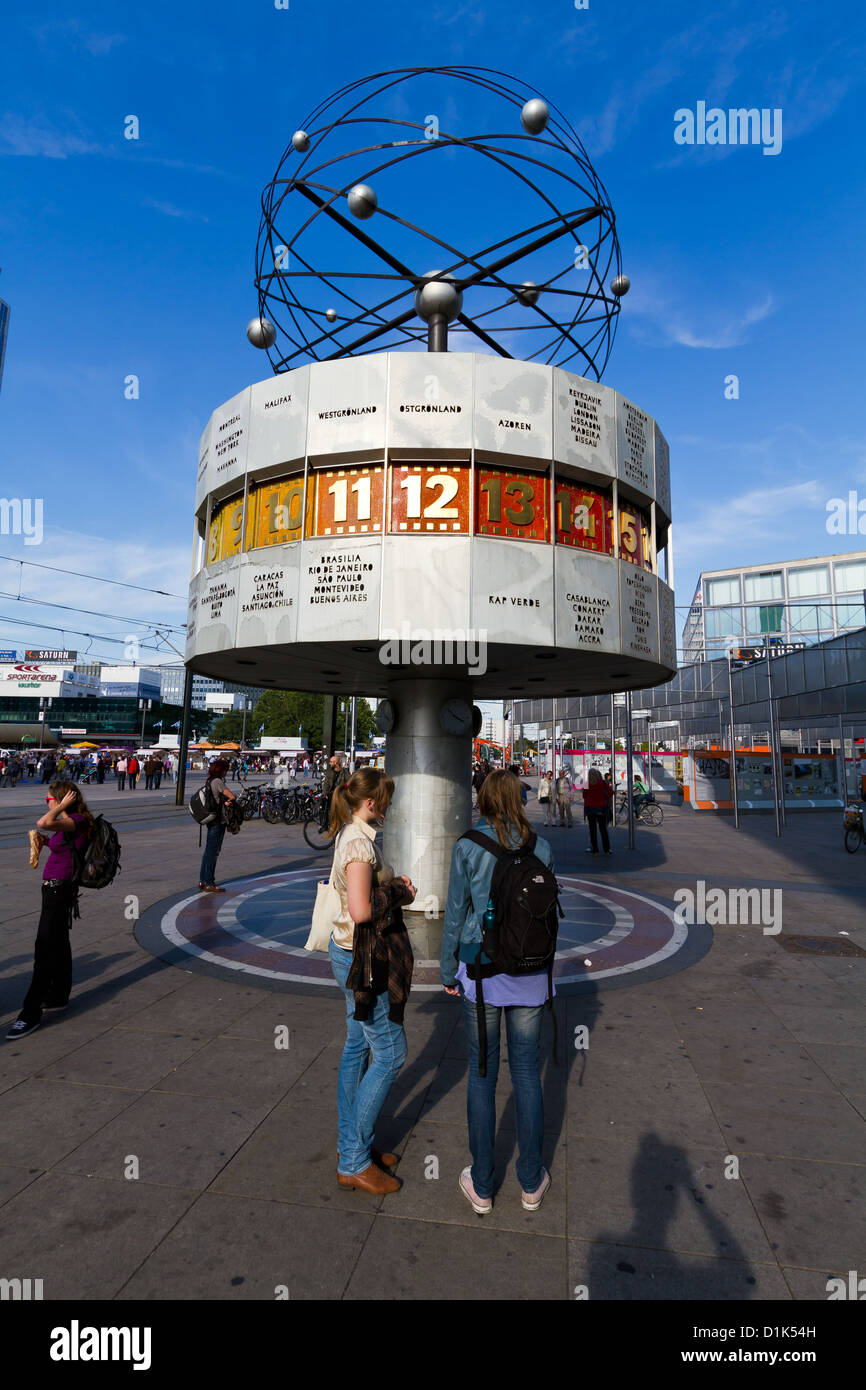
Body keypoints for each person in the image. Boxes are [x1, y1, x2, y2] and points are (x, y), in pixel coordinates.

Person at [441, 769, 555, 1215]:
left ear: (484, 800)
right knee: (527, 1073)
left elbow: (455, 913)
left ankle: (483, 1185)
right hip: (530, 972)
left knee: (482, 1073)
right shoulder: (541, 847)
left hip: (482, 972)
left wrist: (449, 970)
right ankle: (530, 1182)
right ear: (520, 800)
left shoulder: (467, 846)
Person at [326, 768, 415, 1195]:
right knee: (391, 1052)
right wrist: (401, 891)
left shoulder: (349, 831)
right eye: (388, 801)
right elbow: (362, 909)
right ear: (373, 803)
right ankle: (353, 1158)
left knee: (357, 1046)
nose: (390, 808)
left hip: (346, 950)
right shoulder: (360, 844)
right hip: (363, 956)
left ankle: (354, 1145)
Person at [6, 780, 94, 1038]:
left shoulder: (77, 820)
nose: (46, 803)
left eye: (48, 800)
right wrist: (47, 843)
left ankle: (29, 1013)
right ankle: (58, 995)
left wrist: (61, 807)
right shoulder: (69, 822)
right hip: (54, 889)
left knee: (44, 948)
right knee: (59, 942)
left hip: (59, 890)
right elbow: (59, 843)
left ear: (61, 798)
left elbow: (43, 822)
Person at [198, 758, 236, 892]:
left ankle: (203, 880)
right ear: (222, 770)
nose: (227, 772)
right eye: (226, 769)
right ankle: (209, 882)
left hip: (210, 820)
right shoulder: (218, 781)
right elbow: (232, 796)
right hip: (218, 821)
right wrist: (227, 802)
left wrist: (221, 802)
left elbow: (215, 799)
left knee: (208, 851)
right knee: (213, 852)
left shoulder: (209, 781)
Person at [582, 768, 613, 855]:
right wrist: (604, 798)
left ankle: (595, 850)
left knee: (592, 830)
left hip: (590, 808)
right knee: (603, 829)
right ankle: (606, 849)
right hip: (601, 808)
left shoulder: (586, 783)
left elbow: (584, 795)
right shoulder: (602, 783)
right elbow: (611, 792)